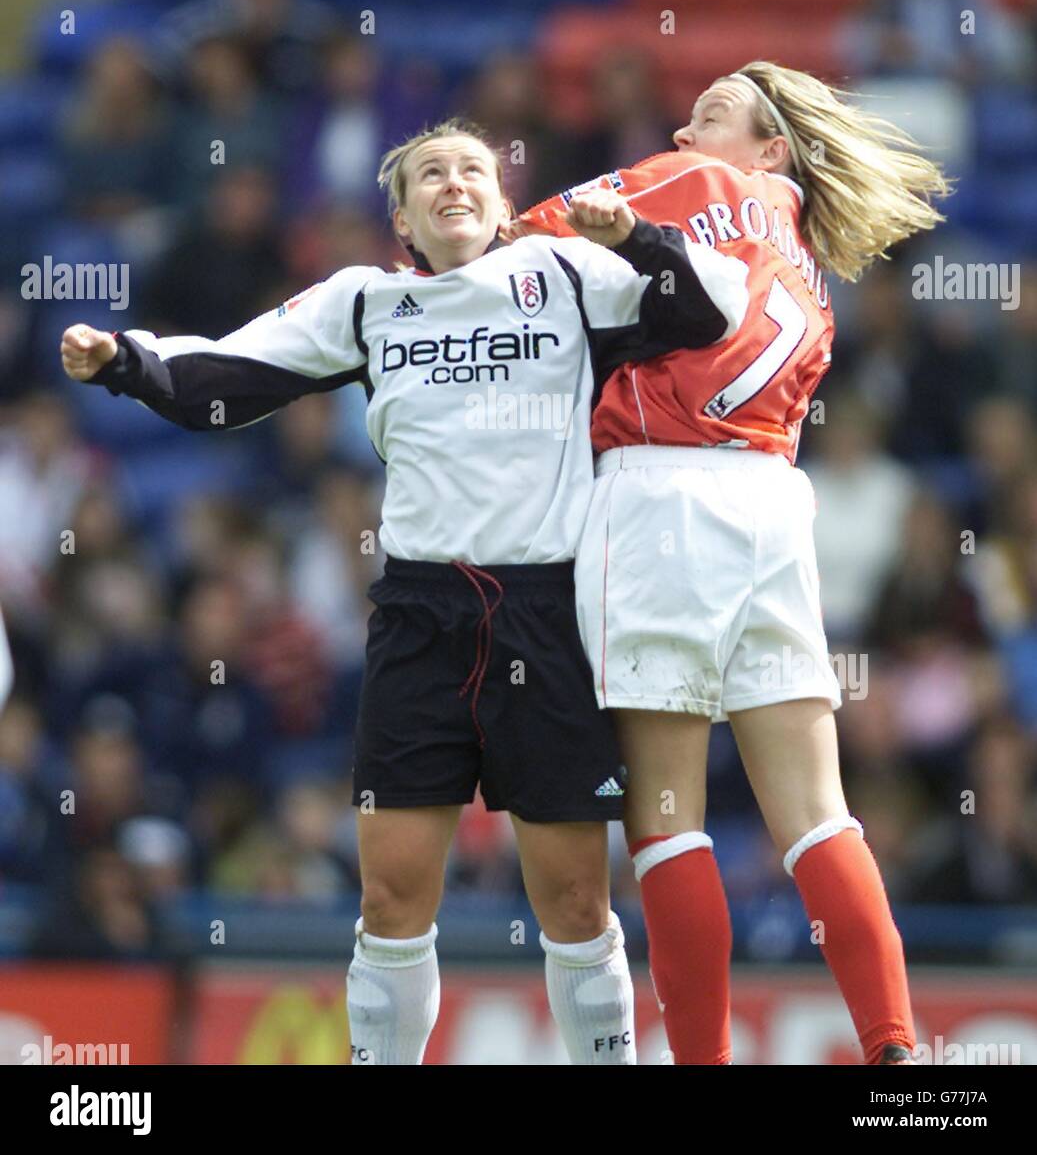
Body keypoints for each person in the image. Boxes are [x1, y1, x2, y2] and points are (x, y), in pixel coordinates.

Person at [61, 120, 748, 1066]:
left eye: (473, 170)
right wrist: (123, 362)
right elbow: (223, 375)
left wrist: (633, 236)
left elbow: (708, 313)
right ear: (402, 218)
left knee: (577, 903)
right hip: (421, 620)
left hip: (546, 618)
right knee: (388, 900)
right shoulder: (364, 304)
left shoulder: (564, 274)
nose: (453, 184)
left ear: (505, 207)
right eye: (430, 175)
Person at [514, 62, 949, 1066]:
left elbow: (535, 237)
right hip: (768, 505)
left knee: (667, 816)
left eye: (708, 114)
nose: (677, 130)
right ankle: (894, 1049)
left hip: (663, 495)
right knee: (814, 812)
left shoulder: (702, 188)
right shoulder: (805, 262)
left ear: (769, 146)